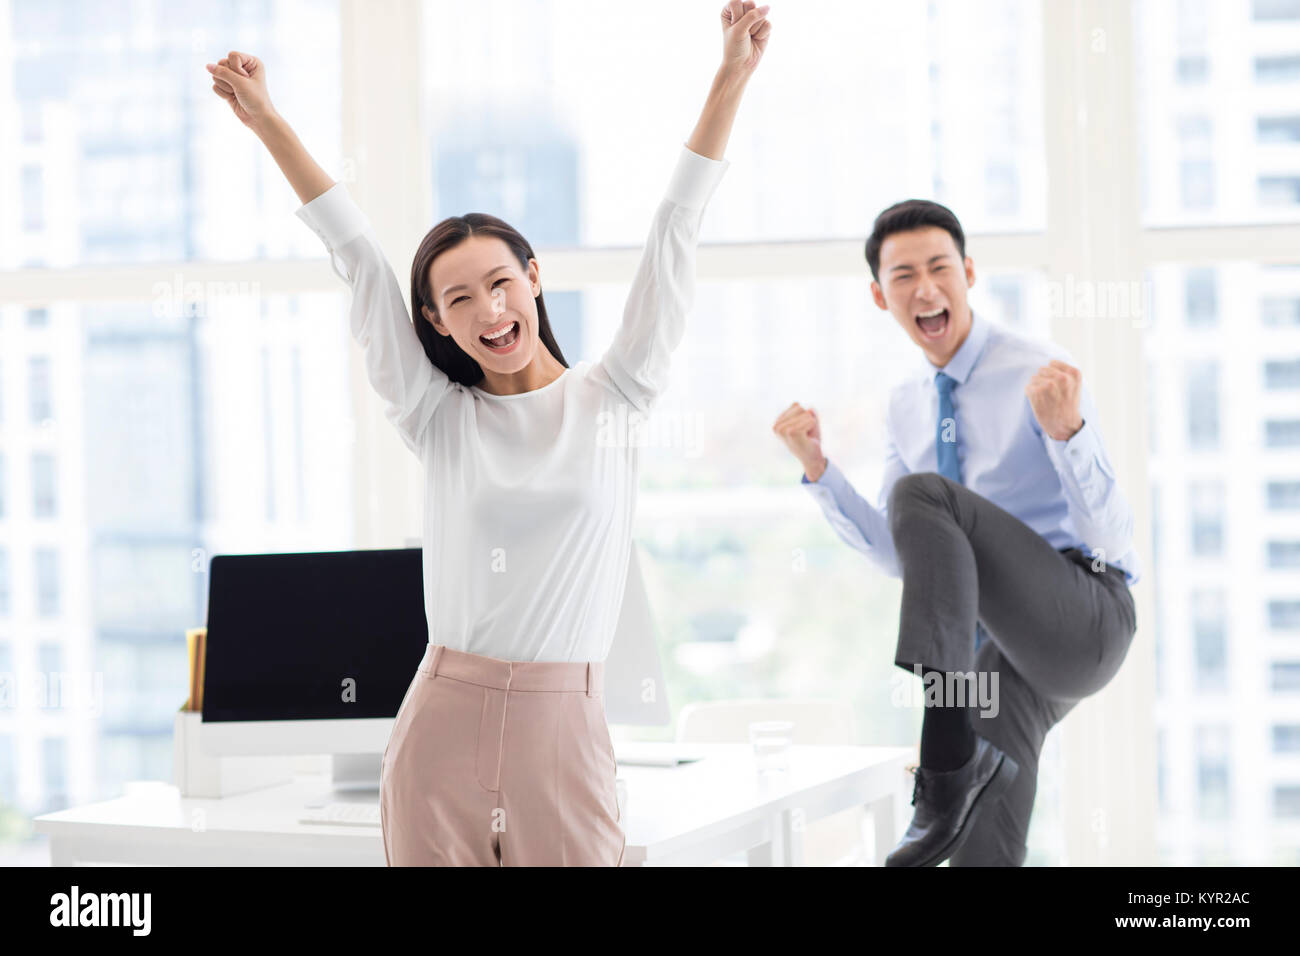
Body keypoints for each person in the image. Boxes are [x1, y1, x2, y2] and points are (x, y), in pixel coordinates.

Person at [205, 0, 771, 866]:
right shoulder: (438, 418)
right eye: (458, 300)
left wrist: (729, 77)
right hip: (440, 726)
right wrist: (270, 122)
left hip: (564, 732)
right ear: (434, 320)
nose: (489, 311)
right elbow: (358, 259)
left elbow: (674, 235)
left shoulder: (616, 396)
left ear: (534, 279)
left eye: (500, 283)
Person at [772, 199, 1139, 867]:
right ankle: (962, 772)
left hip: (1083, 615)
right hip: (994, 659)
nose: (926, 287)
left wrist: (1069, 435)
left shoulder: (1037, 369)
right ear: (881, 296)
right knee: (979, 849)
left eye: (940, 266)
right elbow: (898, 555)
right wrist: (821, 472)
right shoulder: (907, 404)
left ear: (969, 273)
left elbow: (1112, 540)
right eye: (904, 275)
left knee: (924, 493)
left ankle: (943, 757)